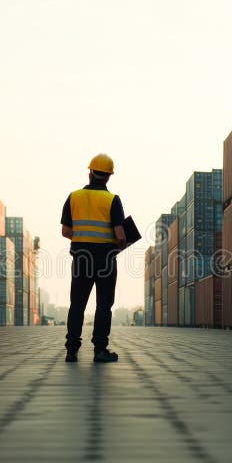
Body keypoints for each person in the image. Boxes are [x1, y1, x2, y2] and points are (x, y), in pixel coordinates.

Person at [60, 154, 127, 363]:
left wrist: (82, 238)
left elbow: (65, 231)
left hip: (81, 257)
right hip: (105, 259)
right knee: (103, 305)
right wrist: (121, 243)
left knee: (77, 304)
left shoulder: (73, 197)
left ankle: (71, 350)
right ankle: (99, 350)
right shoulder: (112, 200)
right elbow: (120, 235)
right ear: (108, 177)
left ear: (90, 173)